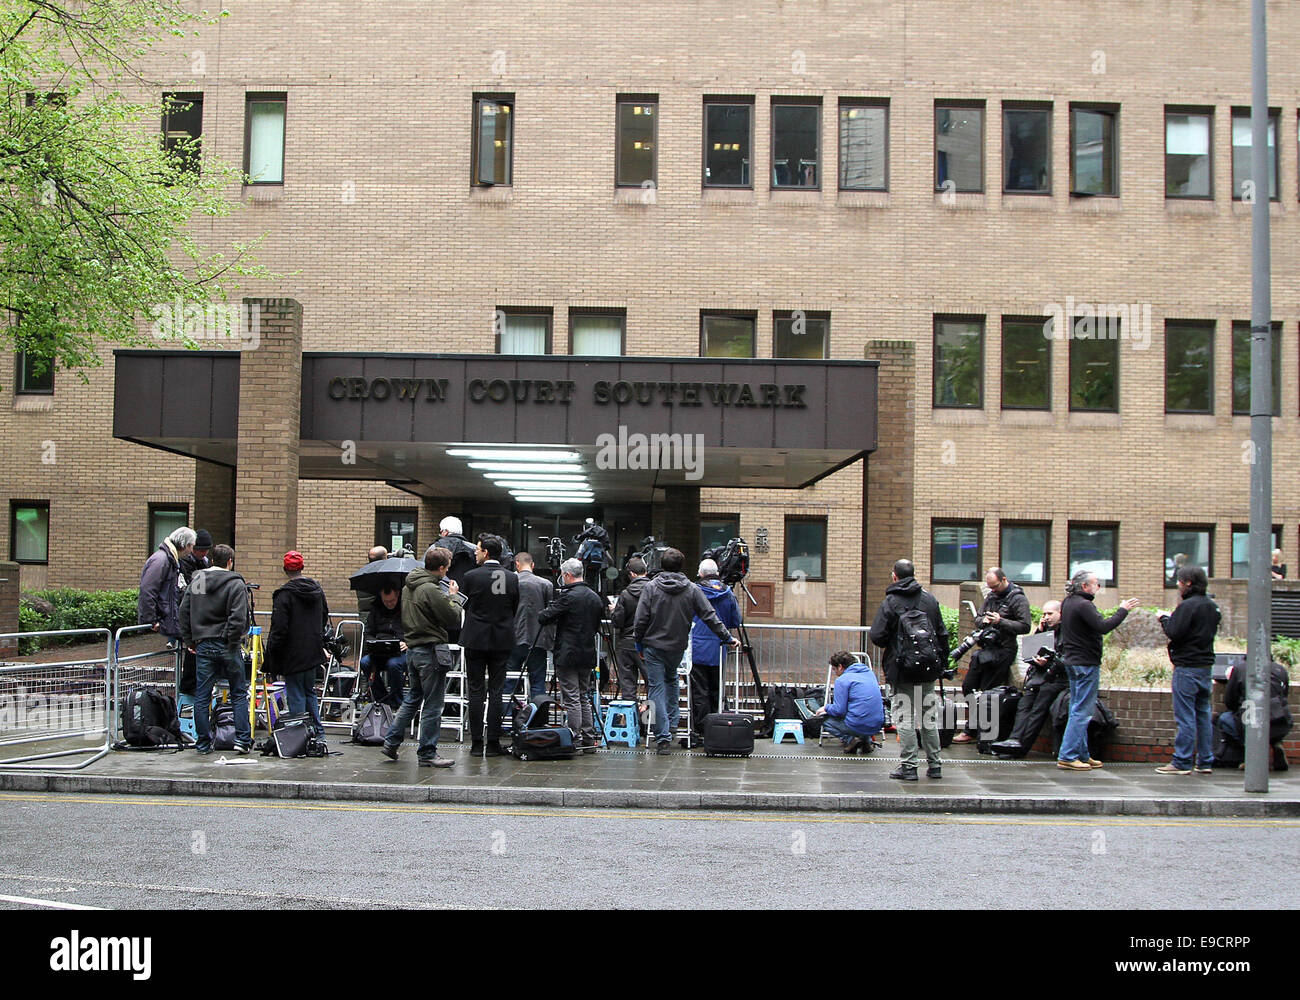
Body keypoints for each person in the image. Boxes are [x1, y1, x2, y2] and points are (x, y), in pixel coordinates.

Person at [631, 547, 738, 755]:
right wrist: (727, 637)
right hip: (677, 646)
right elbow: (709, 615)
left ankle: (662, 737)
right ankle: (671, 724)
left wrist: (639, 644)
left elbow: (640, 619)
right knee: (671, 681)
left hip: (653, 645)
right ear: (682, 566)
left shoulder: (652, 587)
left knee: (656, 688)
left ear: (662, 565)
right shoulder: (691, 589)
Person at [868, 559, 949, 781]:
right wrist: (941, 663)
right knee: (928, 718)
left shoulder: (891, 601)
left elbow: (877, 636)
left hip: (901, 669)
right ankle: (935, 765)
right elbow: (942, 634)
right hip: (927, 669)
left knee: (904, 719)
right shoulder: (929, 600)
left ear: (894, 576)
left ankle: (909, 766)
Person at [384, 546, 461, 767]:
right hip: (430, 650)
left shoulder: (409, 586)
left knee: (412, 699)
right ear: (441, 568)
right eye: (447, 567)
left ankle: (391, 742)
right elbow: (451, 616)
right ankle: (427, 752)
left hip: (413, 649)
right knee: (433, 704)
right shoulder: (430, 589)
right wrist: (453, 598)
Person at [1056, 570, 1139, 771]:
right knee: (1082, 711)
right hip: (1085, 663)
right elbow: (1103, 626)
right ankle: (1067, 755)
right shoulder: (1084, 605)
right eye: (1096, 583)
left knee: (1078, 707)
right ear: (1084, 586)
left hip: (1073, 661)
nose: (1098, 587)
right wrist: (1123, 610)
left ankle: (1082, 753)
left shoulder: (1069, 602)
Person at [178, 544, 252, 754]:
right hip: (227, 644)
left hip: (203, 643)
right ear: (230, 561)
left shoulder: (199, 579)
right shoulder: (235, 583)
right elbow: (238, 616)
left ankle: (202, 742)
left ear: (211, 560)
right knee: (238, 693)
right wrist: (231, 638)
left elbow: (185, 611)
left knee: (202, 695)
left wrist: (190, 640)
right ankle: (242, 740)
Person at [1153, 566, 1221, 774]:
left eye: (1180, 582)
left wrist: (1164, 618)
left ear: (1188, 583)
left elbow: (1174, 632)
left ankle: (1181, 761)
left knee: (1185, 717)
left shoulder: (1187, 606)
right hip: (1205, 667)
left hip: (1186, 668)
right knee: (1203, 714)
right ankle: (1205, 761)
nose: (1178, 585)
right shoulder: (1212, 606)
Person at [952, 567, 1030, 743]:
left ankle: (974, 732)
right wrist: (984, 621)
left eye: (995, 586)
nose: (993, 590)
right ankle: (974, 729)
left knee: (987, 695)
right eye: (990, 587)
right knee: (969, 687)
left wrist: (1000, 621)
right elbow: (978, 619)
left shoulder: (1017, 599)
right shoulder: (991, 597)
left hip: (1003, 651)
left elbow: (1025, 626)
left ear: (1004, 580)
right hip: (985, 650)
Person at [537, 557, 607, 752]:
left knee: (572, 697)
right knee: (583, 695)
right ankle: (589, 737)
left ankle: (574, 736)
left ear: (567, 575)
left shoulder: (568, 597)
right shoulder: (594, 596)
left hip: (568, 652)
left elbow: (544, 617)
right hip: (587, 652)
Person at [459, 533, 519, 756]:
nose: (475, 552)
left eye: (477, 549)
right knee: (496, 690)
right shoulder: (511, 578)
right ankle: (493, 743)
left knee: (475, 691)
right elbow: (514, 605)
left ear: (485, 552)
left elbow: (465, 606)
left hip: (475, 638)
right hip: (501, 638)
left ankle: (476, 743)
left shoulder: (471, 576)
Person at [267, 550, 331, 740]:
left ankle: (301, 737)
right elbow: (323, 617)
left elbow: (279, 628)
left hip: (292, 653)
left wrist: (273, 654)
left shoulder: (284, 595)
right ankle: (318, 734)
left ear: (285, 569)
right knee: (309, 691)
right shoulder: (317, 591)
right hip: (312, 650)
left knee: (295, 693)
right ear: (302, 567)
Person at [990, 600, 1066, 758]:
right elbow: (1032, 652)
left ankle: (1021, 747)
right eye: (1044, 614)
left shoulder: (1067, 633)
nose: (1046, 617)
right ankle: (1014, 740)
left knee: (1038, 710)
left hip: (1055, 680)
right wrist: (1039, 631)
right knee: (1024, 706)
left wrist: (1048, 662)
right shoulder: (1045, 630)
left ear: (1061, 614)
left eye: (1050, 614)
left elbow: (1065, 659)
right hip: (1040, 677)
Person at [689, 558, 741, 735]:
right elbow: (736, 620)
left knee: (699, 691)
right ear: (717, 573)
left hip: (697, 648)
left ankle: (701, 729)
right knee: (716, 690)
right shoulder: (728, 593)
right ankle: (715, 729)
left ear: (701, 573)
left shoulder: (694, 591)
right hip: (719, 648)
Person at [1218, 659, 1292, 771]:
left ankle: (1251, 755)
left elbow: (1230, 700)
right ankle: (1276, 742)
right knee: (1265, 724)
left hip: (1250, 718)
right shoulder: (1280, 669)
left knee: (1224, 719)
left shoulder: (1240, 668)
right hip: (1281, 720)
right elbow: (1285, 695)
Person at [814, 650, 885, 754]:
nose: (835, 673)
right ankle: (866, 741)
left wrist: (825, 708)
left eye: (834, 669)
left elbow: (839, 711)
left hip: (858, 724)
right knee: (860, 714)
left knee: (823, 720)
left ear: (840, 667)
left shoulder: (842, 680)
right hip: (877, 724)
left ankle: (850, 740)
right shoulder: (869, 673)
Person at [176, 528, 212, 720]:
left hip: (200, 613)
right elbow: (190, 591)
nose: (204, 554)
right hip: (193, 614)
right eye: (201, 550)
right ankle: (189, 685)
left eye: (206, 550)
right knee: (192, 655)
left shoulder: (204, 562)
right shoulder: (185, 563)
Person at [138, 526, 195, 642]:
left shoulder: (168, 560)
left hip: (166, 618)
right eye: (192, 546)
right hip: (161, 619)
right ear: (186, 545)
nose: (192, 551)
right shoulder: (162, 561)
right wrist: (151, 620)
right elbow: (148, 590)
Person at [511, 552, 555, 701]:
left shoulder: (509, 582)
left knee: (509, 683)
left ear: (517, 564)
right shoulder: (546, 584)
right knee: (538, 683)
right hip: (538, 640)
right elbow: (551, 613)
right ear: (533, 565)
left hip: (513, 639)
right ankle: (537, 719)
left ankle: (507, 720)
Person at [609, 556, 649, 701]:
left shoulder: (625, 594)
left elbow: (617, 622)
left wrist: (614, 611)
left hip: (626, 643)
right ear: (646, 571)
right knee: (653, 684)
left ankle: (632, 721)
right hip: (648, 643)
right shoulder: (655, 591)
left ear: (631, 574)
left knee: (628, 686)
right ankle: (651, 721)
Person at [361, 584, 406, 709]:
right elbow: (368, 632)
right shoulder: (376, 609)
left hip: (401, 650)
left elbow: (415, 630)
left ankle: (396, 701)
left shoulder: (406, 608)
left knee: (394, 665)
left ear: (398, 595)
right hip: (379, 651)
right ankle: (382, 699)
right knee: (365, 663)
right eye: (386, 601)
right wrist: (373, 642)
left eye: (392, 601)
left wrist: (407, 642)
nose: (389, 604)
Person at [438, 516, 478, 585]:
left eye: (440, 531)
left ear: (445, 532)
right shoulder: (475, 550)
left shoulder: (435, 548)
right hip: (465, 593)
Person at [356, 545, 388, 617]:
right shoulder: (380, 576)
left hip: (365, 616)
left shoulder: (362, 574)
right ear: (384, 559)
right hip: (378, 618)